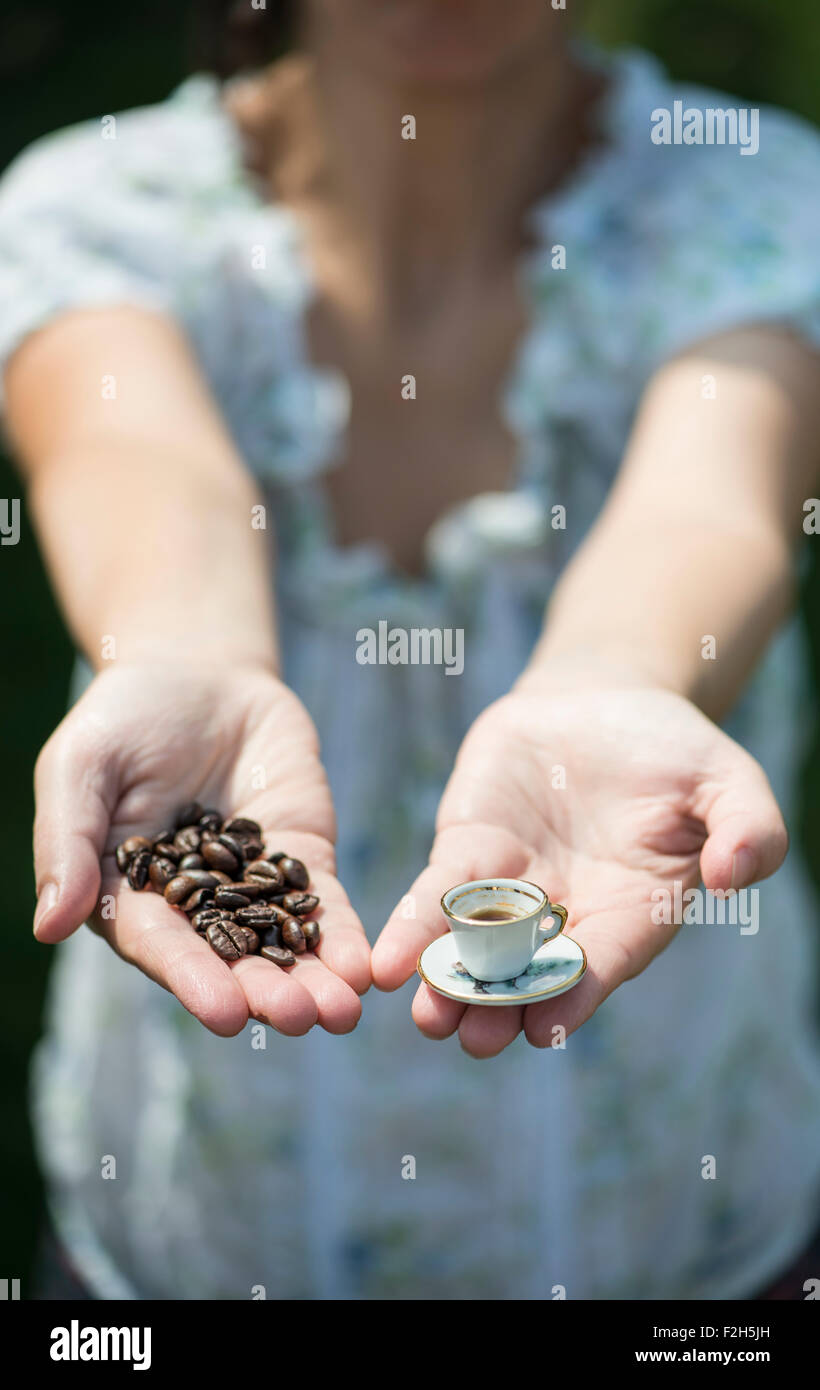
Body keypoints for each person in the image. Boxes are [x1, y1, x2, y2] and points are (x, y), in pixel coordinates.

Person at [1, 0, 819, 1299]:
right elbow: (135, 459)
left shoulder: (759, 201)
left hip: (688, 1247)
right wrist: (181, 651)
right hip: (188, 1260)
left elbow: (712, 496)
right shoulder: (97, 212)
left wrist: (613, 675)